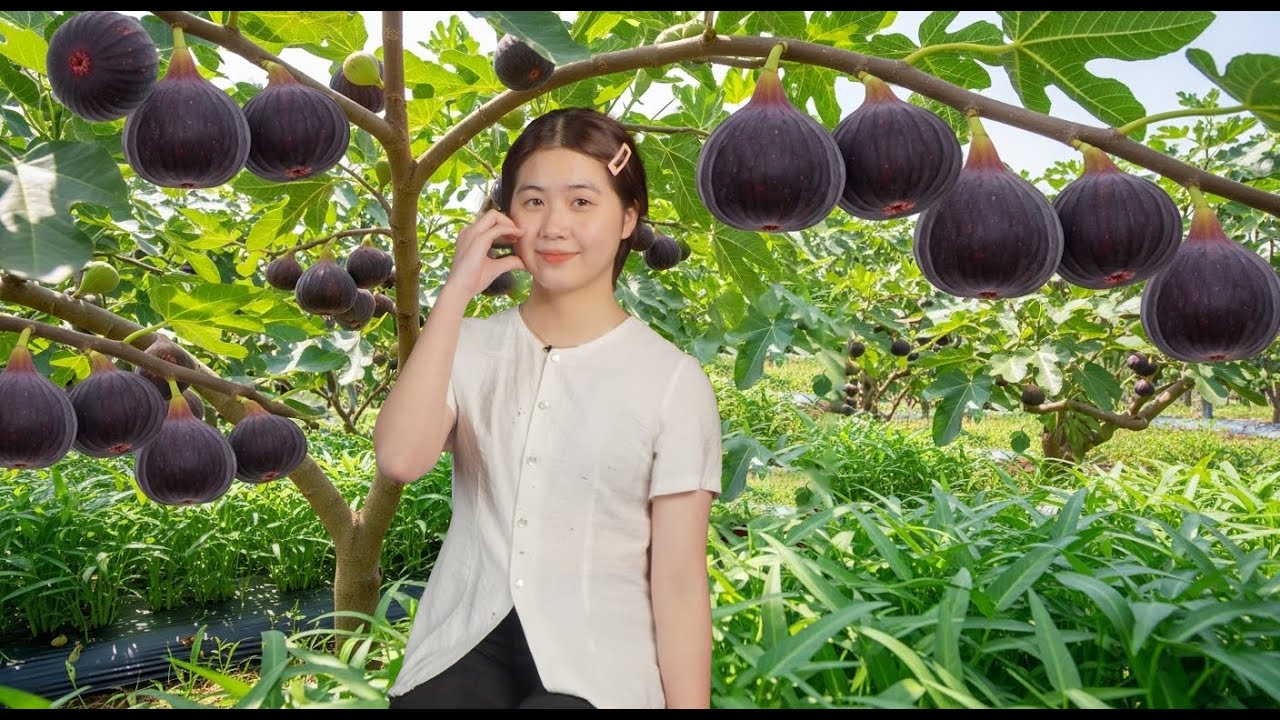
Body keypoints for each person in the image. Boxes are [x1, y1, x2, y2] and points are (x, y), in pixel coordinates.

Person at [374, 107, 724, 710]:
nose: (554, 226)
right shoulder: (469, 346)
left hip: (601, 666)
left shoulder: (673, 381)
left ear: (628, 220)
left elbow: (679, 584)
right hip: (463, 642)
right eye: (533, 202)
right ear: (504, 218)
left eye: (582, 202)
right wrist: (456, 291)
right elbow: (401, 460)